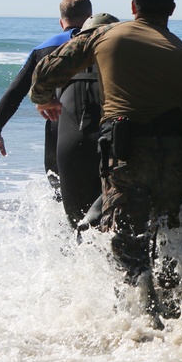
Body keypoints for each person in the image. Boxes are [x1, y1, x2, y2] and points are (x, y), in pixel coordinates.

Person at [30, 0, 182, 303]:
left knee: (125, 248)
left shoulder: (105, 35)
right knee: (167, 244)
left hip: (126, 157)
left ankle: (134, 328)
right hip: (173, 163)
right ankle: (176, 318)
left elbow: (46, 70)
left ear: (133, 6)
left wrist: (43, 98)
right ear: (172, 8)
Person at [0, 0, 92, 188]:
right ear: (89, 16)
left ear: (61, 22)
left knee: (59, 193)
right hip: (99, 124)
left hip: (59, 127)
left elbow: (16, 91)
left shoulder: (42, 49)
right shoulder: (103, 43)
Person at [52, 12, 120, 226]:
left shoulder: (61, 66)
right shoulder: (126, 67)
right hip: (112, 147)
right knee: (115, 225)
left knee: (77, 226)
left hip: (70, 147)